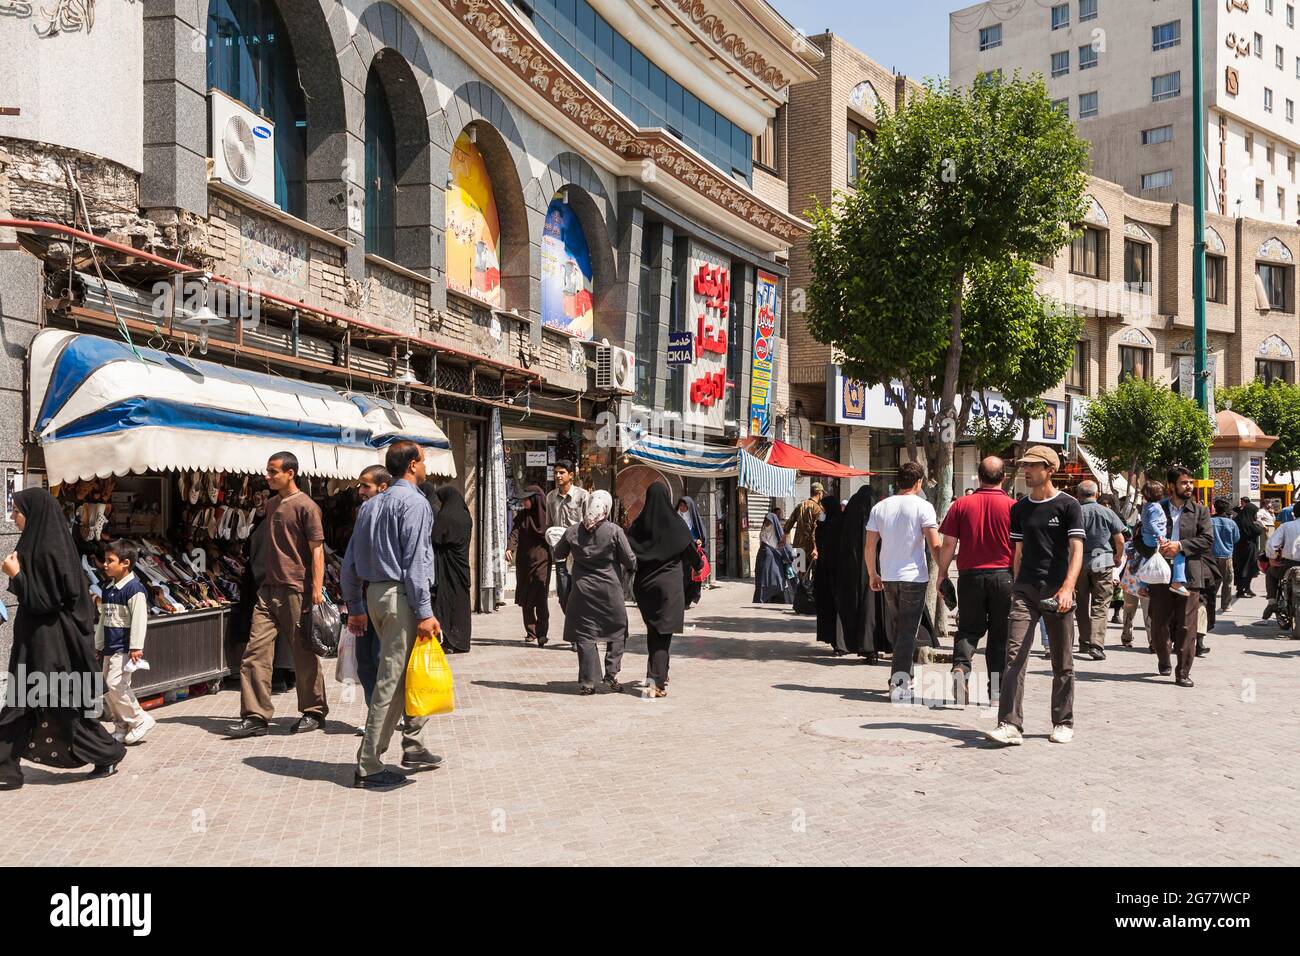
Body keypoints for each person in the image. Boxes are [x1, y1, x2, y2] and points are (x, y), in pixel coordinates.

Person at [0, 489, 127, 788]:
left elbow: (45, 601)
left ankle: (107, 752)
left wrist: (16, 575)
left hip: (50, 646)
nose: (14, 517)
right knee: (22, 703)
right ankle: (5, 769)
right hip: (36, 643)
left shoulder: (48, 550)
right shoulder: (39, 543)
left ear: (32, 515)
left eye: (17, 511)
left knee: (59, 706)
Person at [342, 440, 442, 790]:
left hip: (375, 595)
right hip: (401, 598)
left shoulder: (370, 506)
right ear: (413, 464)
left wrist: (356, 606)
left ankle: (411, 745)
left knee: (399, 678)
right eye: (424, 461)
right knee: (391, 680)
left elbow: (349, 565)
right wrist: (426, 611)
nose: (426, 467)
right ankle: (368, 764)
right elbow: (415, 563)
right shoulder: (414, 503)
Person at [986, 445, 1084, 747]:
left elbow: (1077, 550)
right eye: (1024, 465)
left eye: (1033, 466)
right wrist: (1016, 585)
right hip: (1025, 591)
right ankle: (1010, 724)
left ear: (1050, 470)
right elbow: (1018, 552)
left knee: (1062, 661)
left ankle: (1063, 721)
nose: (1026, 471)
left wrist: (1068, 588)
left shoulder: (1068, 506)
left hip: (1058, 591)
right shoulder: (1019, 508)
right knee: (1013, 656)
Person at [229, 452, 328, 738]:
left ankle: (313, 711)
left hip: (297, 589)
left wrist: (316, 591)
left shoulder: (307, 507)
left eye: (273, 472)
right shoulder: (272, 505)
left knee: (303, 652)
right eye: (268, 471)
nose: (268, 476)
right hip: (268, 589)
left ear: (291, 473)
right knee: (254, 652)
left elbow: (317, 550)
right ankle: (255, 716)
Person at [936, 455, 1013, 703]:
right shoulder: (1014, 507)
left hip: (970, 576)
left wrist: (942, 573)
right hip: (1004, 576)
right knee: (1000, 634)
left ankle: (961, 668)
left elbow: (948, 543)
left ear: (979, 477)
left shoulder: (961, 505)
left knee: (968, 629)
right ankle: (997, 690)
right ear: (1004, 477)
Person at [865, 461, 940, 698]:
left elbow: (869, 546)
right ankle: (899, 683)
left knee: (900, 628)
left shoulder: (880, 507)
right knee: (907, 631)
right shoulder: (924, 506)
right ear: (918, 483)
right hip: (914, 577)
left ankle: (905, 676)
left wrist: (872, 573)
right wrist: (944, 568)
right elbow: (933, 543)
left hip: (888, 575)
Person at [553, 491, 636, 695]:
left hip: (581, 591)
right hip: (610, 591)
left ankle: (588, 682)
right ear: (606, 509)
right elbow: (630, 560)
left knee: (585, 634)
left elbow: (558, 553)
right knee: (617, 630)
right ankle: (611, 674)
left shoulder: (572, 532)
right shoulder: (614, 531)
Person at [1138, 466, 1213, 688]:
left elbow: (1207, 540)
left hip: (1189, 575)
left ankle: (1183, 672)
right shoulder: (1154, 508)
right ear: (1171, 486)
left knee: (1187, 626)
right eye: (1184, 482)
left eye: (1191, 482)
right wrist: (1156, 550)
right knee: (1159, 623)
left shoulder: (1200, 511)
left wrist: (1179, 545)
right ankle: (1163, 658)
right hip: (1160, 574)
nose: (1189, 486)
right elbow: (1140, 539)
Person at [627, 483, 702, 698]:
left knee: (654, 631)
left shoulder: (638, 525)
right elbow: (692, 555)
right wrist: (698, 566)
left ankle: (660, 673)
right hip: (669, 588)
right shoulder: (676, 525)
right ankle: (655, 682)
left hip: (644, 587)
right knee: (662, 634)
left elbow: (627, 552)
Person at [94, 540, 156, 746]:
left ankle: (139, 719)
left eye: (110, 561)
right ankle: (121, 725)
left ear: (125, 563)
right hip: (109, 647)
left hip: (124, 648)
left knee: (115, 684)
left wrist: (136, 646)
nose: (105, 564)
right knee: (108, 687)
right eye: (105, 560)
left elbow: (139, 619)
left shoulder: (134, 589)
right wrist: (99, 643)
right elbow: (104, 618)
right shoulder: (108, 588)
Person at [348, 465, 391, 712]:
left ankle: (392, 713)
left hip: (389, 598)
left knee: (381, 658)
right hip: (366, 598)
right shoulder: (363, 514)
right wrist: (354, 605)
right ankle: (374, 712)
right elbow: (352, 562)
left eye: (366, 486)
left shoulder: (396, 513)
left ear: (382, 487)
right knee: (364, 660)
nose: (360, 490)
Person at [1073, 480, 1127, 661]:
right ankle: (1097, 644)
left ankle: (1084, 641)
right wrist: (1118, 557)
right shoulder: (1107, 512)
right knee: (1101, 604)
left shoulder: (1073, 512)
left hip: (1078, 562)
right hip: (1102, 561)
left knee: (1080, 603)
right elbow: (1120, 540)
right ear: (1096, 495)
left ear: (1078, 495)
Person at [837, 485, 885, 663]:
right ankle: (874, 646)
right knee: (873, 609)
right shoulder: (877, 518)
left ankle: (861, 645)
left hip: (853, 571)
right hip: (876, 570)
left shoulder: (849, 520)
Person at [431, 485, 473, 654]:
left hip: (448, 569)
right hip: (461, 566)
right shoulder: (465, 516)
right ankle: (462, 641)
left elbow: (436, 538)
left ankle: (449, 640)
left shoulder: (446, 517)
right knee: (461, 604)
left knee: (447, 602)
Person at [507, 486, 551, 646]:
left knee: (540, 597)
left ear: (535, 500)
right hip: (524, 563)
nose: (523, 502)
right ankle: (530, 631)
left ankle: (542, 633)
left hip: (542, 561)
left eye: (526, 499)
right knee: (526, 597)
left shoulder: (547, 518)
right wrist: (509, 547)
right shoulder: (523, 517)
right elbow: (515, 533)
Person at [545, 461, 588, 613]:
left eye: (561, 472)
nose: (557, 475)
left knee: (580, 593)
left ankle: (579, 630)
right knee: (563, 594)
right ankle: (573, 623)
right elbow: (549, 525)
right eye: (555, 472)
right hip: (561, 553)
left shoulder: (583, 496)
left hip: (579, 554)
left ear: (571, 475)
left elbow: (588, 524)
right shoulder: (550, 497)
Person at [1140, 480, 1189, 598]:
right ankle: (1177, 581)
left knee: (1150, 560)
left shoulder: (1146, 506)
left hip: (1147, 538)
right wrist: (1160, 537)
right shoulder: (1156, 507)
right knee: (1179, 554)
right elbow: (1152, 523)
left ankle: (1142, 585)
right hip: (1155, 539)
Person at [813, 496, 849, 654]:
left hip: (827, 573)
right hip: (840, 572)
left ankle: (837, 642)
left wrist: (820, 526)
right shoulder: (844, 523)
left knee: (831, 607)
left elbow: (821, 543)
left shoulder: (827, 525)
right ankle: (840, 643)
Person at [1263, 507, 1300, 622]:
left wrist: (1272, 558)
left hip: (1289, 564)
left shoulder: (1286, 526)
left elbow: (1271, 544)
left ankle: (1272, 602)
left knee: (1270, 572)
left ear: (1294, 514)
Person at [754, 504, 796, 603]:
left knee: (776, 579)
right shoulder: (764, 531)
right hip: (764, 559)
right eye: (766, 521)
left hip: (774, 561)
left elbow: (785, 547)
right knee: (762, 581)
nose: (767, 523)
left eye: (769, 521)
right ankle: (762, 599)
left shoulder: (778, 533)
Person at [676, 495, 708, 608]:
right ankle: (680, 600)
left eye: (685, 505)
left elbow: (702, 536)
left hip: (692, 555)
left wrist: (698, 542)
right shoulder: (676, 519)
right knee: (680, 577)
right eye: (680, 505)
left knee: (691, 578)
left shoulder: (694, 521)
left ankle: (687, 600)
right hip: (679, 555)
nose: (682, 507)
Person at [784, 482, 825, 564]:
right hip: (811, 548)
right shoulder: (818, 509)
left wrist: (784, 536)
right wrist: (815, 548)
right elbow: (816, 529)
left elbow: (789, 522)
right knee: (814, 574)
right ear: (819, 493)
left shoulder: (800, 505)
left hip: (798, 545)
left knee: (799, 573)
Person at [1212, 498, 1240, 614]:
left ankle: (1210, 603)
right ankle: (1226, 605)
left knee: (1212, 581)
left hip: (1211, 555)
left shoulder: (1209, 521)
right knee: (1227, 581)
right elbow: (1236, 538)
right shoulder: (1232, 523)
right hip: (1226, 555)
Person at [1233, 497, 1262, 599]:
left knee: (1243, 569)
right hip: (1248, 548)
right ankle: (1241, 591)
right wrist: (1258, 525)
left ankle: (1246, 588)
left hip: (1239, 548)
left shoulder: (1238, 519)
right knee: (1246, 569)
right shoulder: (1249, 523)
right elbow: (1258, 531)